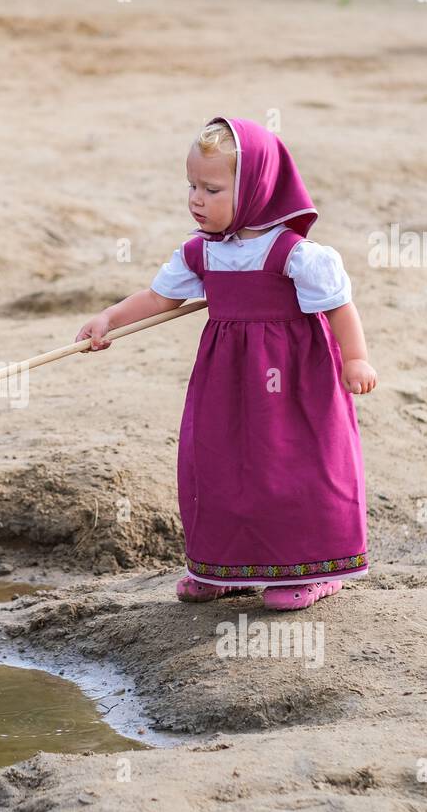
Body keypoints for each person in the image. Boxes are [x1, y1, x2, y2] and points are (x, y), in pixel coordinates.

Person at [76, 117, 376, 611]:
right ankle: (221, 565)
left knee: (290, 466)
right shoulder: (203, 252)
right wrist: (109, 318)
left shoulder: (294, 253)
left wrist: (357, 358)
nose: (195, 198)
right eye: (191, 185)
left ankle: (314, 566)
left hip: (293, 380)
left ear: (256, 190)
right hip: (226, 381)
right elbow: (159, 298)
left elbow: (339, 306)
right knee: (219, 464)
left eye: (211, 188)